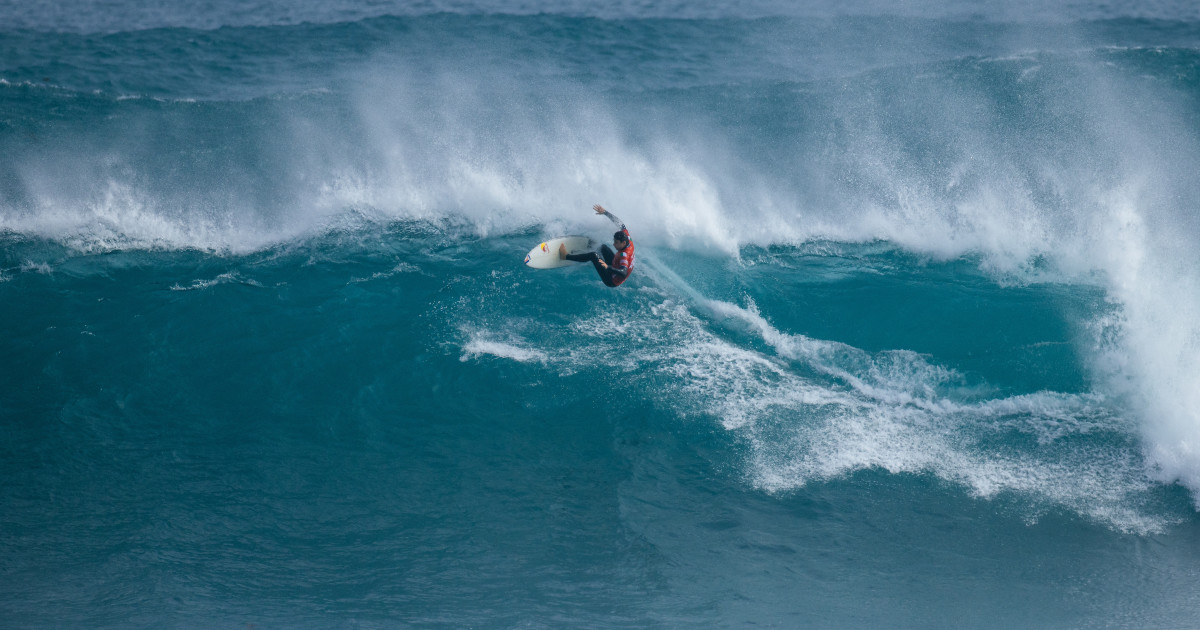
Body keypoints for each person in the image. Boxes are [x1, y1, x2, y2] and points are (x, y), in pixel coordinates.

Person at [559, 204, 635, 287]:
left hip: (611, 280)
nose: (613, 244)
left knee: (593, 255)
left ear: (623, 243)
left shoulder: (624, 255)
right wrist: (605, 212)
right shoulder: (628, 239)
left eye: (616, 242)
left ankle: (565, 256)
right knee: (603, 247)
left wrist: (608, 267)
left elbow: (623, 273)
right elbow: (621, 224)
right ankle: (587, 255)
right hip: (615, 264)